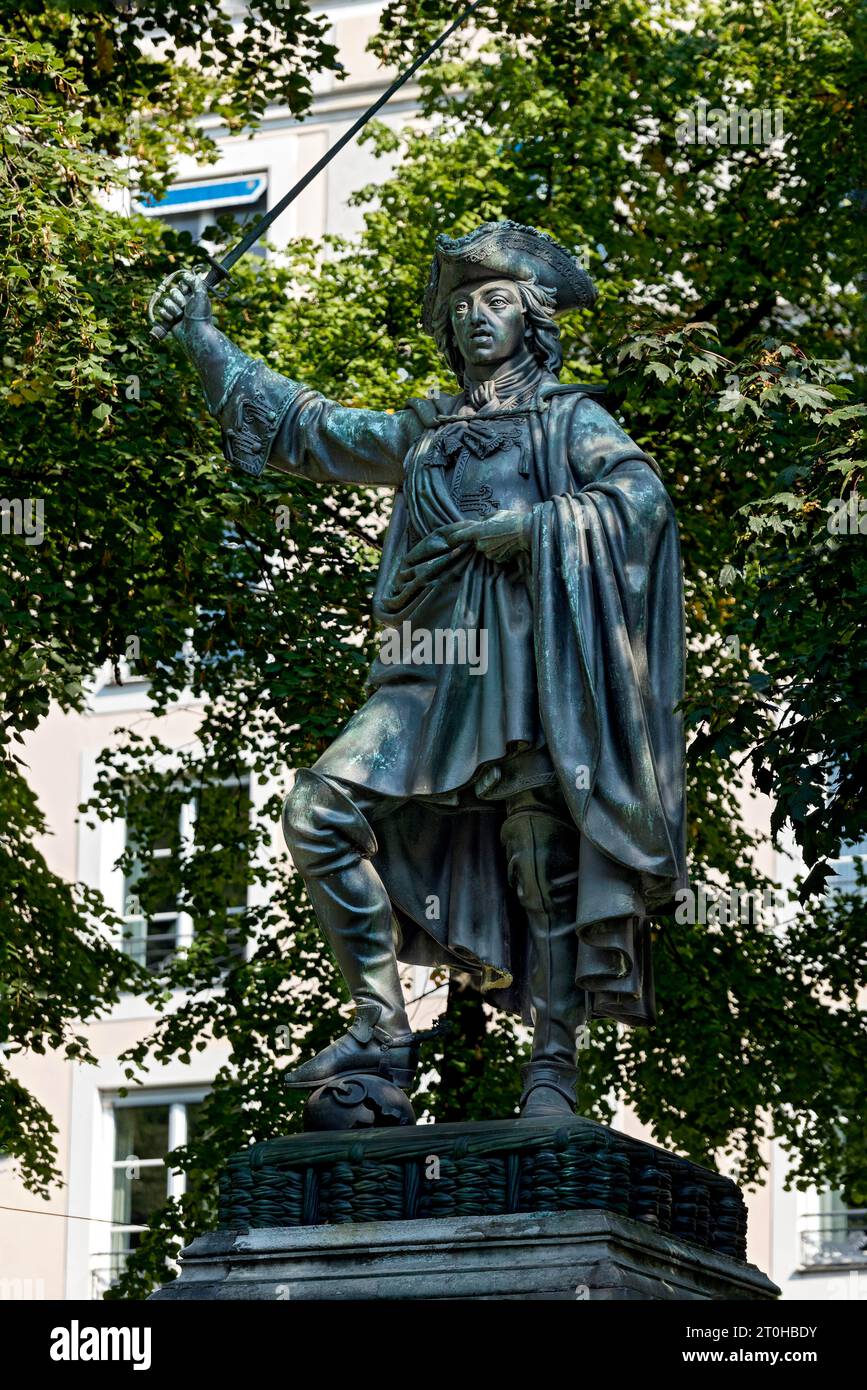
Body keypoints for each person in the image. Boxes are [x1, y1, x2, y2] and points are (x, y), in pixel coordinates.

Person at [149, 220, 687, 1118]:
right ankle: (378, 1025)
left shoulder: (571, 419)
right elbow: (307, 429)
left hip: (531, 667)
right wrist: (203, 338)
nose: (478, 316)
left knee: (540, 857)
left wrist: (530, 528)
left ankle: (552, 1063)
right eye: (463, 303)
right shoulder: (426, 429)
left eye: (498, 300)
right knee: (318, 809)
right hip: (428, 668)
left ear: (532, 318)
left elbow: (639, 504)